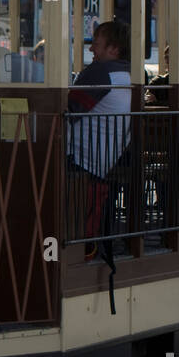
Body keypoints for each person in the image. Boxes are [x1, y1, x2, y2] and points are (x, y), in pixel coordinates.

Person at [67, 20, 133, 256]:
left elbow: (68, 110)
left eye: (96, 44)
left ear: (113, 49)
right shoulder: (130, 75)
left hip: (75, 158)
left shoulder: (100, 72)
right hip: (102, 163)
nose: (91, 50)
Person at [145, 43, 179, 108]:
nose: (166, 61)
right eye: (166, 57)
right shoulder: (157, 82)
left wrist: (157, 102)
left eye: (170, 57)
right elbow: (147, 101)